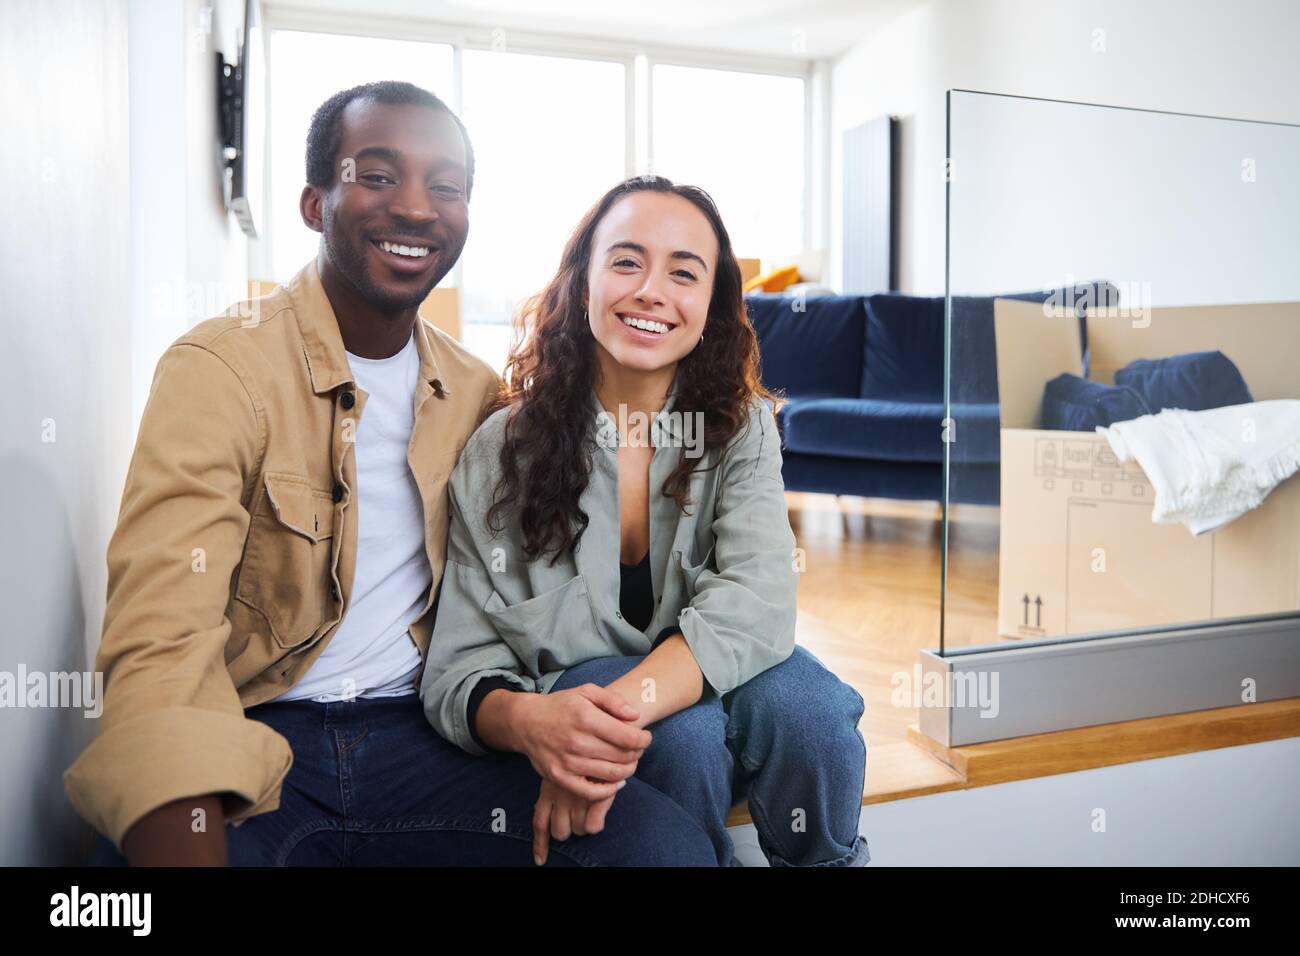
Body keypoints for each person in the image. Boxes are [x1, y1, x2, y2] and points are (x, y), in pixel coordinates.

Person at [70, 81, 716, 867]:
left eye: (446, 187)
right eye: (377, 176)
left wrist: (543, 727)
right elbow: (159, 640)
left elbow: (526, 605)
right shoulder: (220, 370)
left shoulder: (480, 396)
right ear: (315, 203)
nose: (416, 208)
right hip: (261, 745)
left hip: (429, 741)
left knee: (662, 849)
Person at [420, 174, 871, 867]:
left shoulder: (742, 426)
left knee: (814, 714)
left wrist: (619, 713)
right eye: (626, 261)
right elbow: (460, 670)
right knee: (680, 740)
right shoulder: (499, 451)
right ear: (582, 281)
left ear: (713, 304)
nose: (652, 291)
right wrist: (557, 736)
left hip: (664, 683)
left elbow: (760, 596)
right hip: (580, 689)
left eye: (683, 272)